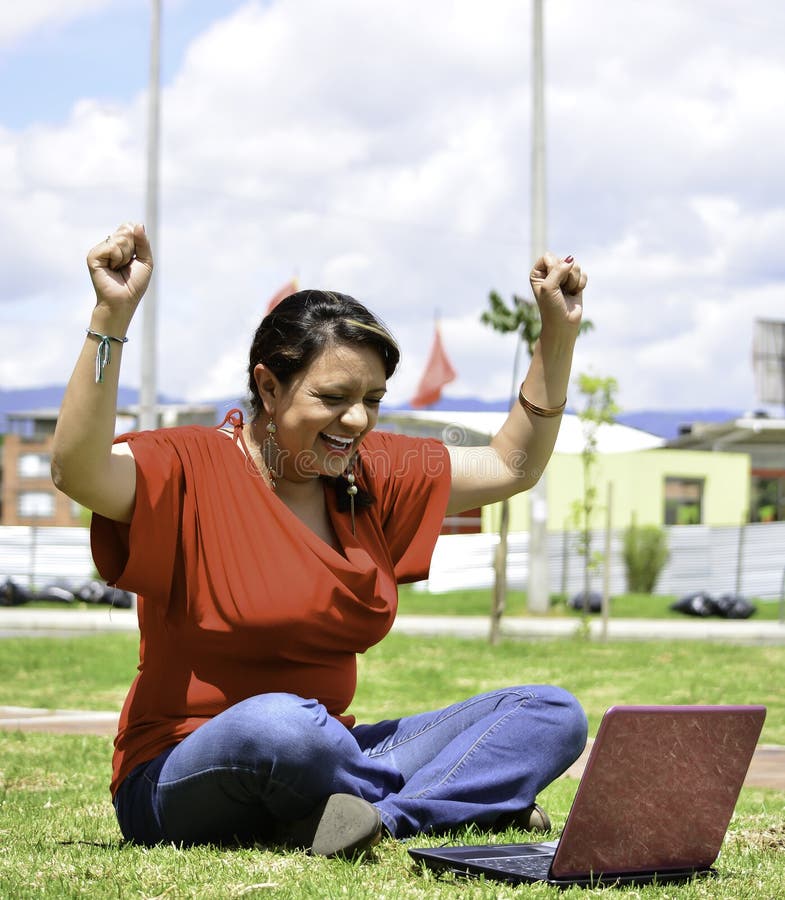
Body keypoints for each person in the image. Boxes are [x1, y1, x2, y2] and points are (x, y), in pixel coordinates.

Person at [52, 222, 589, 857]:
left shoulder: (372, 472)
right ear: (269, 386)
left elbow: (511, 466)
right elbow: (78, 470)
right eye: (334, 397)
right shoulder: (190, 466)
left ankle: (382, 819)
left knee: (550, 713)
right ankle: (454, 801)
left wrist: (558, 333)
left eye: (373, 399)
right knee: (284, 725)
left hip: (333, 755)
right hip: (183, 770)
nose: (357, 420)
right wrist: (111, 315)